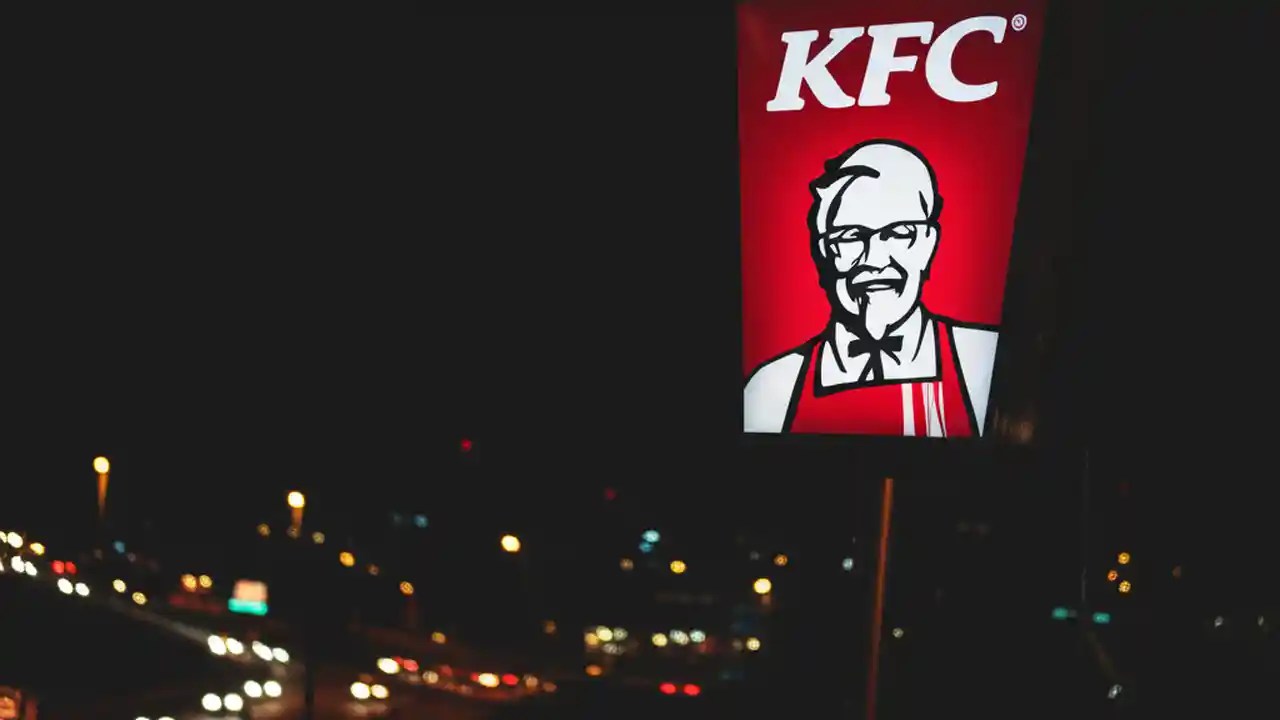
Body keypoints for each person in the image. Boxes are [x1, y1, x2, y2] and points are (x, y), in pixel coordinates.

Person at [744, 139, 998, 437]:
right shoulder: (773, 387)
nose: (875, 260)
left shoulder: (980, 358)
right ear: (825, 251)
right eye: (851, 236)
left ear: (929, 243)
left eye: (899, 233)